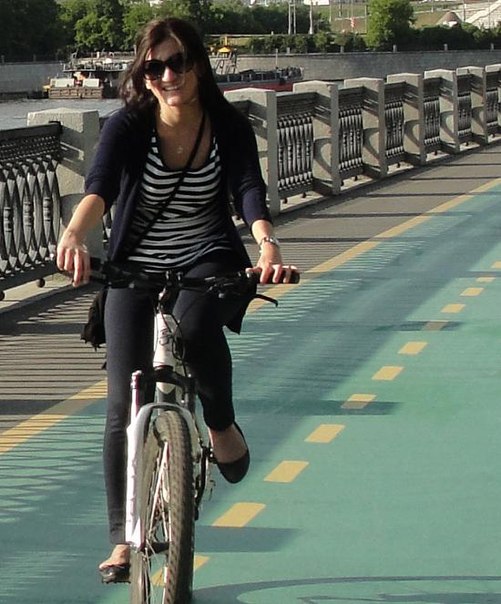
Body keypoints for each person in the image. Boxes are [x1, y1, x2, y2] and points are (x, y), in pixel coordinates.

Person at [56, 16, 297, 584]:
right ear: (143, 74)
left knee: (193, 327)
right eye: (154, 67)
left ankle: (220, 424)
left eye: (178, 63)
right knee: (123, 402)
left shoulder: (226, 123)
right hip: (135, 262)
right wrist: (74, 235)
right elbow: (100, 186)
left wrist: (266, 243)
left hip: (207, 254)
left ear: (198, 65)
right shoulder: (128, 125)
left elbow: (248, 187)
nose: (167, 76)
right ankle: (123, 538)